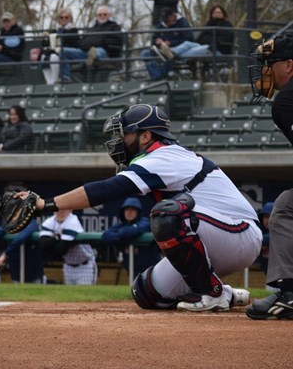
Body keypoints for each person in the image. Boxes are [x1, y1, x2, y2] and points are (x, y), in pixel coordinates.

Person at [18, 103, 259, 312]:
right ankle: (226, 294)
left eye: (126, 133)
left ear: (145, 136)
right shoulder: (158, 157)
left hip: (240, 232)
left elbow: (107, 189)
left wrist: (45, 204)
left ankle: (212, 294)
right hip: (216, 236)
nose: (120, 140)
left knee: (167, 214)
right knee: (146, 292)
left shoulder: (166, 156)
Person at [247, 31, 293, 319]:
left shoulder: (286, 101)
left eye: (271, 62)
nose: (266, 70)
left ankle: (289, 292)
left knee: (286, 208)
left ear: (288, 65)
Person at [58, 6, 125, 80]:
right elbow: (82, 42)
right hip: (86, 51)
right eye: (100, 14)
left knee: (97, 50)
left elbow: (117, 41)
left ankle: (91, 58)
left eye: (104, 14)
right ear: (96, 16)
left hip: (105, 53)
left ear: (109, 15)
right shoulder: (91, 29)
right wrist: (96, 41)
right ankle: (66, 77)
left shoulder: (114, 27)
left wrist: (98, 42)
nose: (102, 16)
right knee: (63, 50)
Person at [101, 196, 161, 276]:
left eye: (132, 209)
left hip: (152, 268)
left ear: (138, 212)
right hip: (132, 268)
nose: (129, 212)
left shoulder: (145, 222)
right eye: (127, 209)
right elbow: (105, 236)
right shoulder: (120, 225)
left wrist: (121, 235)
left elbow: (129, 232)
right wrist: (123, 236)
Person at [140, 10, 209, 80]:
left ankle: (160, 76)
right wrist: (157, 41)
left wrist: (170, 43)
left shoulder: (181, 24)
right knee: (145, 53)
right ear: (165, 20)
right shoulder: (159, 26)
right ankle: (158, 77)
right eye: (171, 20)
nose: (173, 21)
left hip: (175, 49)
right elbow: (153, 40)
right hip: (161, 50)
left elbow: (186, 39)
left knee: (171, 55)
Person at [39, 209, 98, 285]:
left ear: (70, 210)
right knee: (70, 295)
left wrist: (53, 241)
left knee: (85, 295)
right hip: (68, 266)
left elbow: (60, 250)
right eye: (58, 210)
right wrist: (57, 237)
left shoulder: (72, 221)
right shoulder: (50, 221)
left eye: (64, 210)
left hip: (85, 266)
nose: (60, 212)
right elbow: (43, 244)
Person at [0, 212, 45, 284]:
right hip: (16, 272)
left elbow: (21, 238)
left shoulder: (33, 223)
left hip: (34, 274)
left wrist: (5, 254)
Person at [37, 8, 81, 85]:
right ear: (58, 19)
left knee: (54, 57)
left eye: (66, 17)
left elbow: (73, 43)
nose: (64, 19)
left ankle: (54, 81)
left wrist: (58, 39)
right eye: (61, 17)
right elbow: (46, 42)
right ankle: (49, 82)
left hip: (65, 53)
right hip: (53, 51)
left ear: (70, 18)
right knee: (43, 56)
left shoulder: (73, 30)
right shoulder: (54, 30)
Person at [194, 4, 235, 80]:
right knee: (188, 44)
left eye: (219, 12)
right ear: (212, 14)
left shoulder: (227, 25)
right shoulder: (209, 24)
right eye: (215, 12)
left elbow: (224, 40)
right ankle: (177, 53)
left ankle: (178, 55)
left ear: (223, 14)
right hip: (205, 48)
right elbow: (200, 38)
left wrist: (209, 40)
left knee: (193, 50)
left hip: (218, 50)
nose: (217, 14)